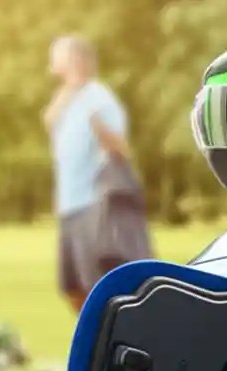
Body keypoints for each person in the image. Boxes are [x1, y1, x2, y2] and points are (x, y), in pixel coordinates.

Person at [44, 35, 139, 314]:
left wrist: (101, 130)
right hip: (69, 204)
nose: (52, 61)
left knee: (94, 283)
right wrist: (67, 91)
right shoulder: (68, 98)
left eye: (58, 55)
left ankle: (105, 336)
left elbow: (121, 148)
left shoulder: (98, 97)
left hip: (93, 203)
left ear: (75, 59)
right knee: (71, 285)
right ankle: (89, 334)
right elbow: (50, 123)